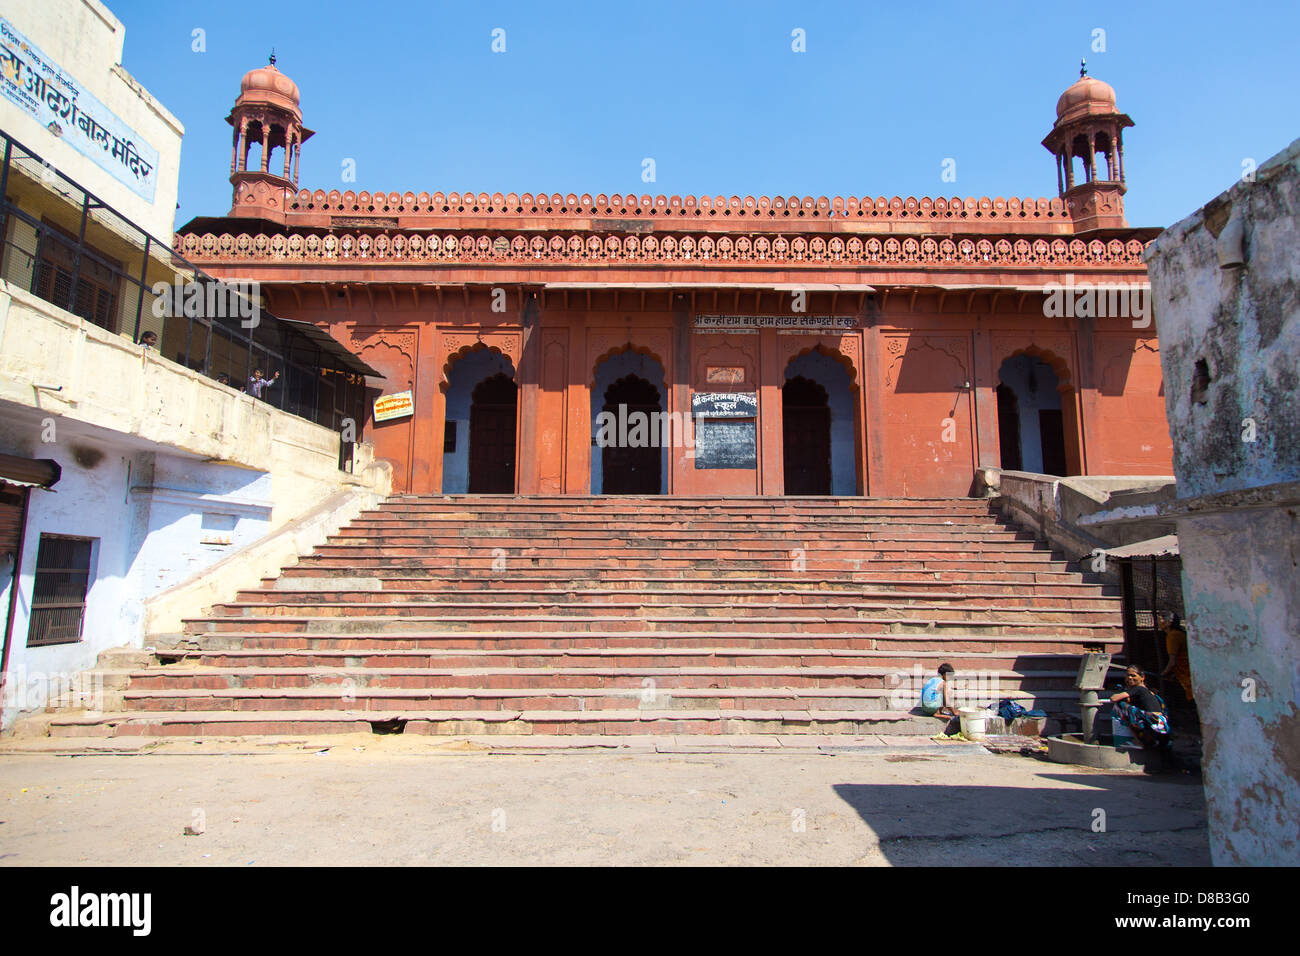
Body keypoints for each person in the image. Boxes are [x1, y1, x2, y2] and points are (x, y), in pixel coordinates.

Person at [1110, 665, 1171, 749]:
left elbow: (1114, 698)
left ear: (1142, 677)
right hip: (1161, 726)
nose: (1129, 678)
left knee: (1120, 706)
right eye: (1127, 675)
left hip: (1153, 722)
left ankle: (1138, 741)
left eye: (1133, 675)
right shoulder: (1149, 691)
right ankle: (1148, 741)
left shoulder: (1139, 689)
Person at [1158, 612, 1194, 703]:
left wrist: (1163, 673)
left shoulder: (1173, 636)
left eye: (1160, 619)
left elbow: (1172, 662)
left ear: (1169, 622)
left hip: (1186, 677)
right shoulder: (1178, 634)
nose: (1158, 622)